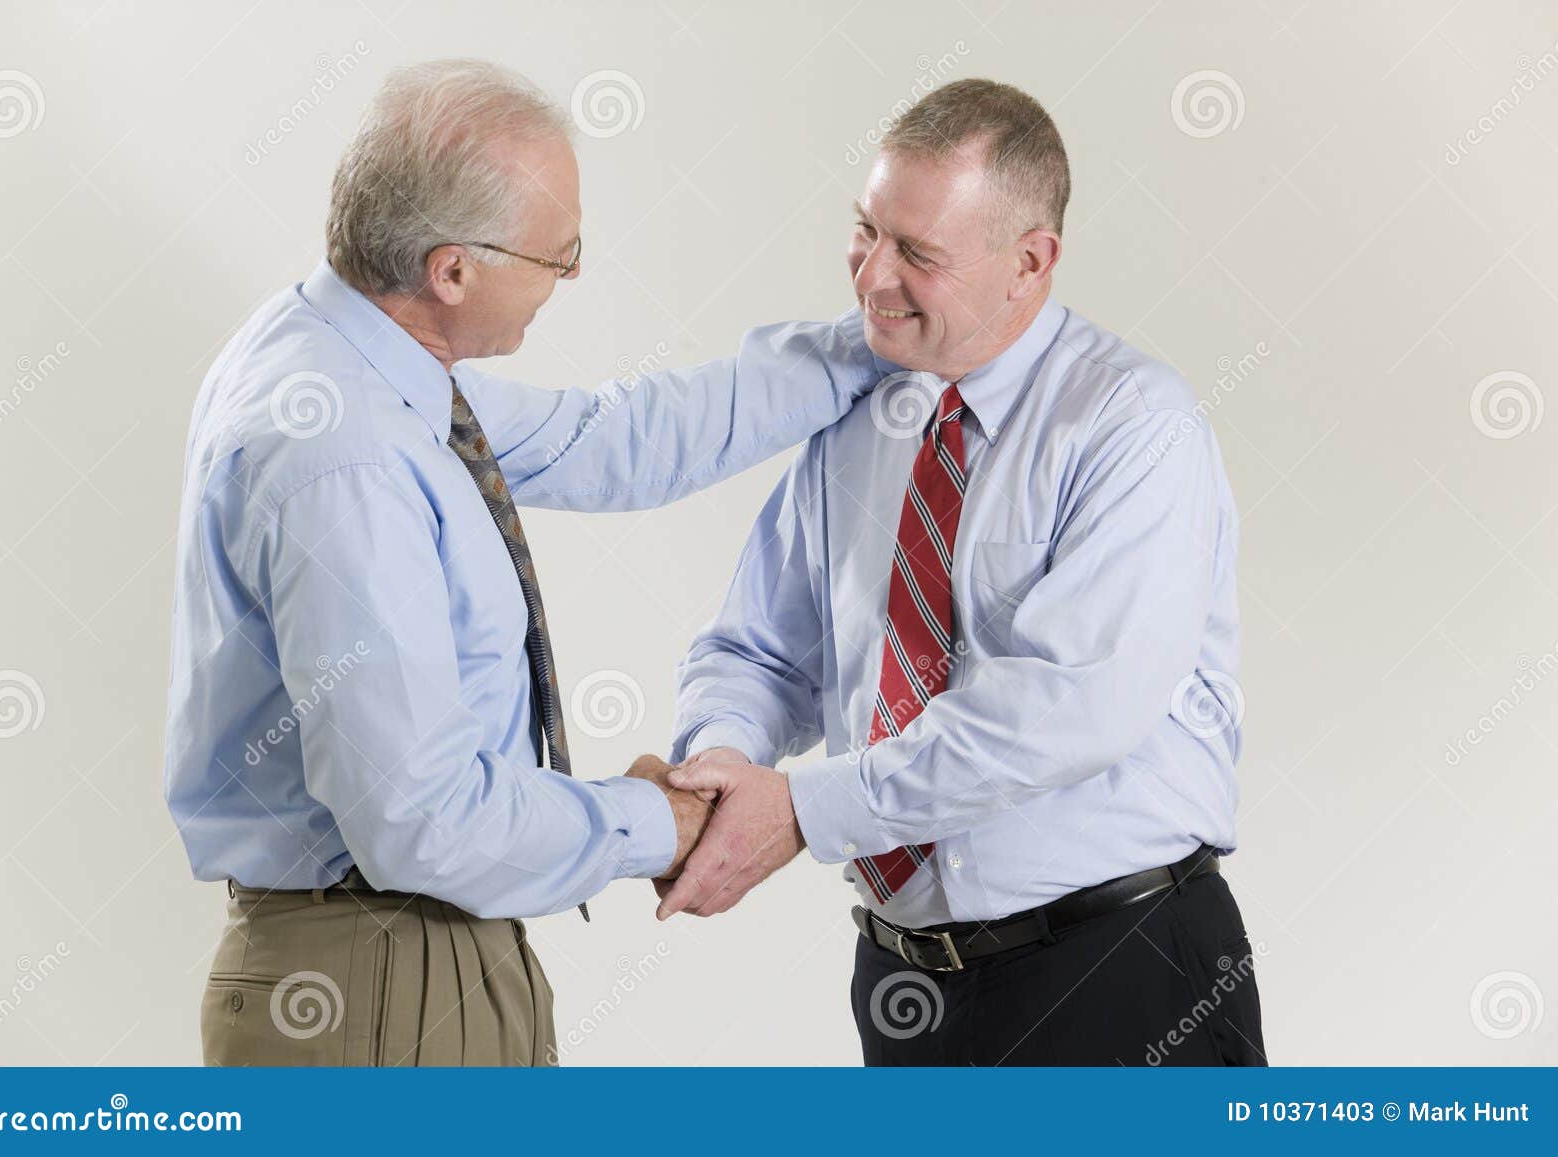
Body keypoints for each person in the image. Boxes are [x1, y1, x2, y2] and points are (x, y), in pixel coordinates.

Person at [164, 58, 874, 1066]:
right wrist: (655, 821)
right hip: (377, 978)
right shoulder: (346, 453)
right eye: (560, 254)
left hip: (410, 959)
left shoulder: (347, 357)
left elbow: (606, 436)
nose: (572, 277)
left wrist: (868, 340)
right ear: (451, 270)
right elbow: (423, 821)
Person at [662, 78, 1265, 1066]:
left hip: (1119, 973)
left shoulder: (1132, 427)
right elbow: (761, 645)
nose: (869, 278)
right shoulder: (865, 411)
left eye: (918, 254)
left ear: (1030, 262)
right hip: (907, 985)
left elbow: (1063, 712)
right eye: (866, 230)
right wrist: (722, 765)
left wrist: (800, 811)